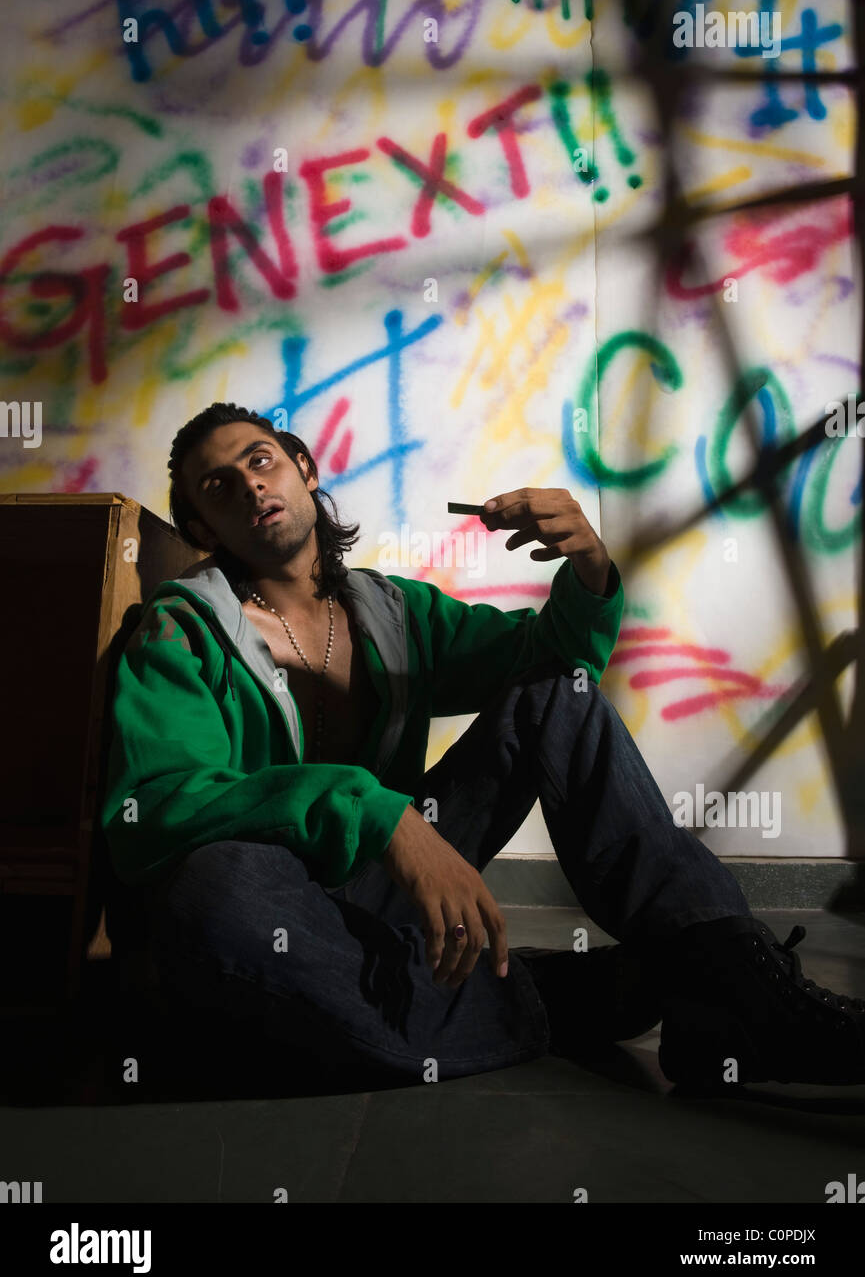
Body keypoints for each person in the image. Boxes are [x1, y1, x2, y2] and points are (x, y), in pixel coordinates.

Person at [99, 401, 865, 1091]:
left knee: (554, 696)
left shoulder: (393, 612)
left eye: (259, 461)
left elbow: (554, 667)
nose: (249, 487)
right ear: (202, 528)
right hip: (284, 909)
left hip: (382, 896)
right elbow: (155, 807)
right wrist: (379, 813)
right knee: (214, 888)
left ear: (301, 467)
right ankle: (576, 996)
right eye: (218, 487)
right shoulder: (183, 631)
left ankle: (732, 984)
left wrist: (589, 566)